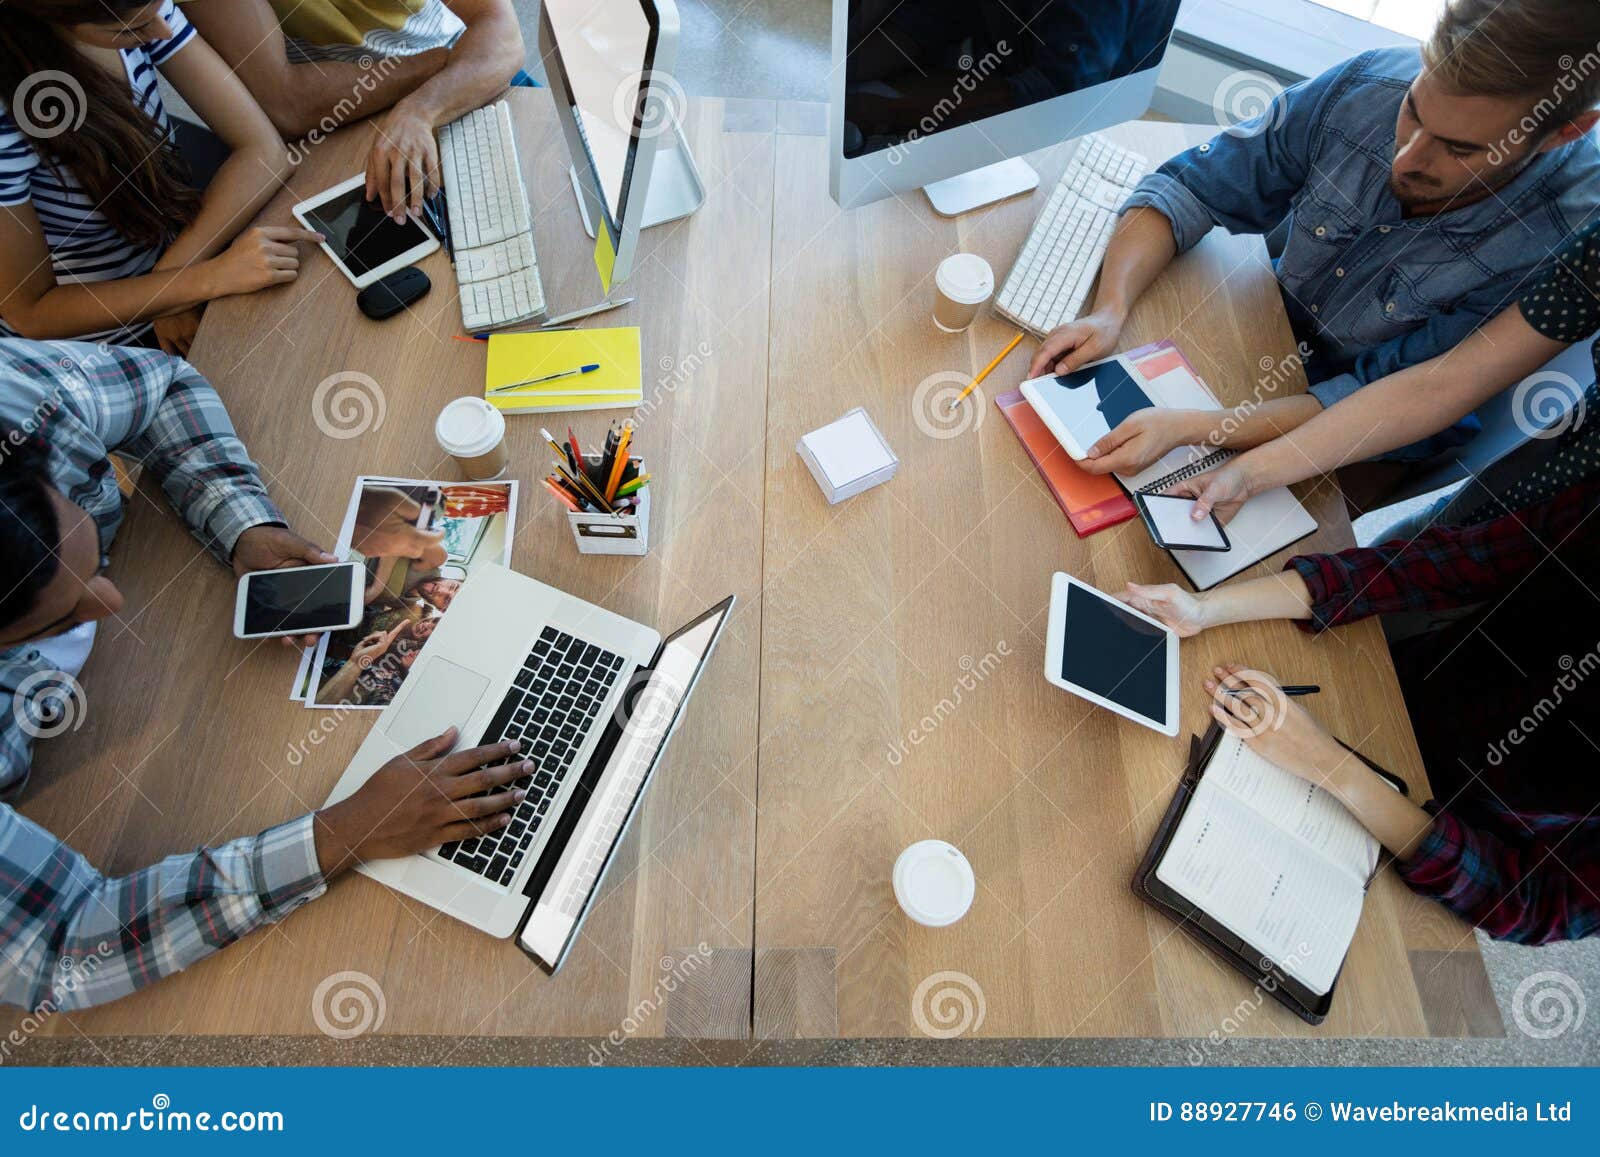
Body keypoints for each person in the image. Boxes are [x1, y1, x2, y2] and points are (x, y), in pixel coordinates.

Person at [0, 339, 530, 1011]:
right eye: (60, 610)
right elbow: (65, 948)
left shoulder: (19, 397)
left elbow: (164, 387)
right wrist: (345, 832)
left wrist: (241, 525)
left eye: (86, 542)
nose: (111, 604)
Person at [1028, 0, 1600, 481]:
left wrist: (1203, 429)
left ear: (1564, 133)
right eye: (1413, 111)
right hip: (1254, 333)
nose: (1408, 156)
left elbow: (1392, 397)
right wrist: (1110, 309)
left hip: (1350, 446)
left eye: (1460, 149)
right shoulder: (1371, 81)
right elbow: (1191, 187)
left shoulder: (1555, 239)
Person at [1118, 474, 1600, 943]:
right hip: (1407, 692)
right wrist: (1206, 608)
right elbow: (1441, 564)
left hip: (1447, 840)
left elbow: (1528, 901)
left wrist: (1327, 763)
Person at [1168, 218, 1600, 525]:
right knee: (1444, 538)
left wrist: (1216, 439)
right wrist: (1246, 474)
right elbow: (1442, 383)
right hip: (1546, 474)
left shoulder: (1548, 221)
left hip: (1389, 441)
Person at [0, 0, 324, 353]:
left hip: (184, 267)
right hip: (100, 346)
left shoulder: (142, 9)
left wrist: (173, 280)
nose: (162, 31)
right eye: (128, 30)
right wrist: (203, 280)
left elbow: (266, 152)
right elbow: (30, 312)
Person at [185, 0, 526, 222]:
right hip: (350, 124)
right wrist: (438, 63)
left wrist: (421, 109)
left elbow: (500, 30)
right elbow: (288, 105)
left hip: (465, 78)